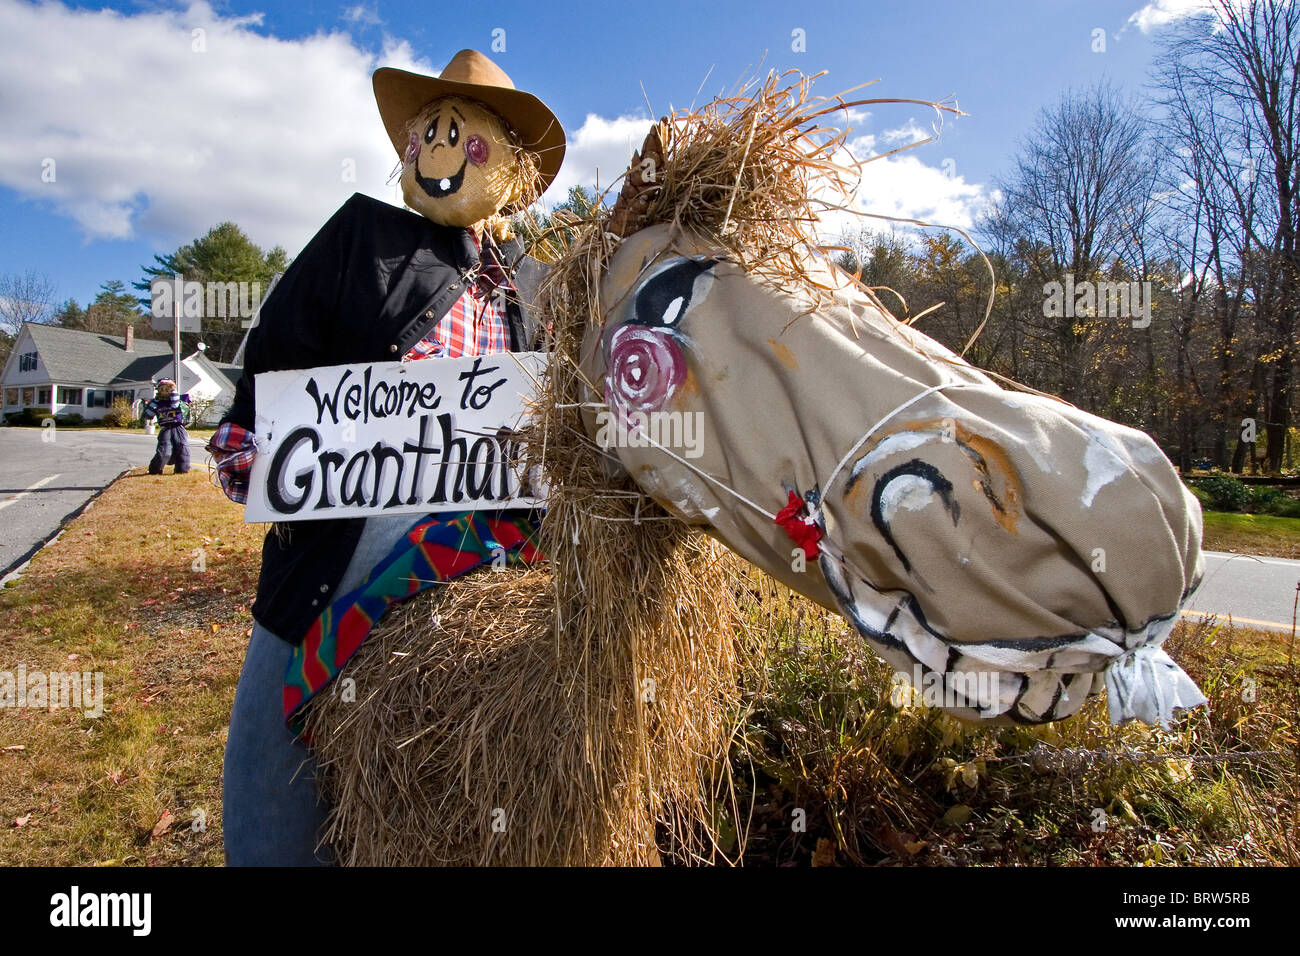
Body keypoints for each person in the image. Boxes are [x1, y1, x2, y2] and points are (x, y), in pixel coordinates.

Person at [208, 49, 565, 866]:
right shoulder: (358, 241)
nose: (441, 153)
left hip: (468, 591)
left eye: (468, 141)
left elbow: (543, 446)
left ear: (508, 169)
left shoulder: (529, 295)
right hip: (335, 563)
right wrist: (265, 452)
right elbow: (263, 398)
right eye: (428, 134)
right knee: (275, 794)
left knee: (436, 810)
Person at [142, 379, 191, 474]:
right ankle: (155, 470)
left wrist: (173, 393)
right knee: (164, 450)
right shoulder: (157, 402)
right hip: (166, 429)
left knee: (182, 448)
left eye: (167, 389)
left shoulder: (177, 399)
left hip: (178, 427)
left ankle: (182, 470)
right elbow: (149, 414)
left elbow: (175, 405)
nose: (164, 391)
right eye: (162, 389)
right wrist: (156, 400)